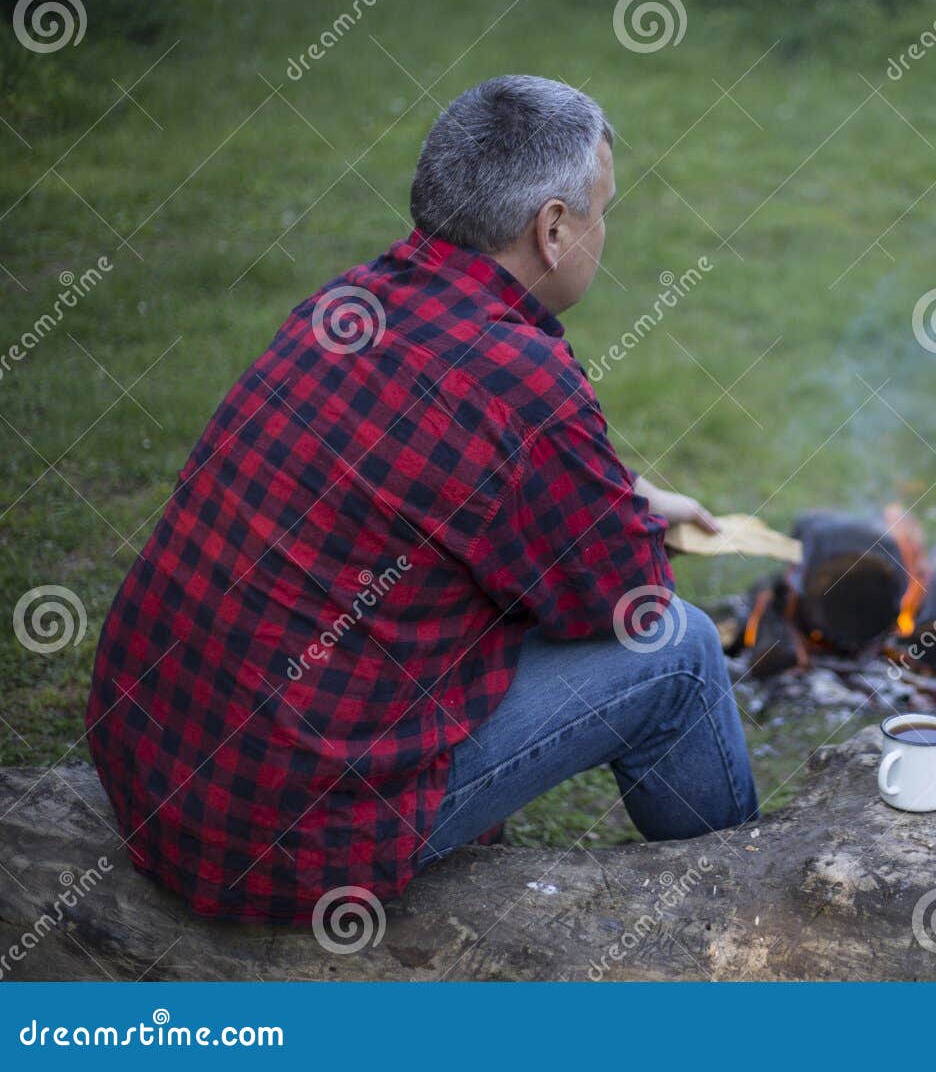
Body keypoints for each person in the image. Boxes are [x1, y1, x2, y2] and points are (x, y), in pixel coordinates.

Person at [85, 75, 759, 923]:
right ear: (552, 229)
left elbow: (437, 476)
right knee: (682, 650)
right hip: (284, 837)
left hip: (154, 764)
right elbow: (623, 603)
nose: (605, 233)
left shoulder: (350, 305)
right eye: (602, 212)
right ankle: (746, 915)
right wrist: (610, 522)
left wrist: (624, 494)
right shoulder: (520, 381)